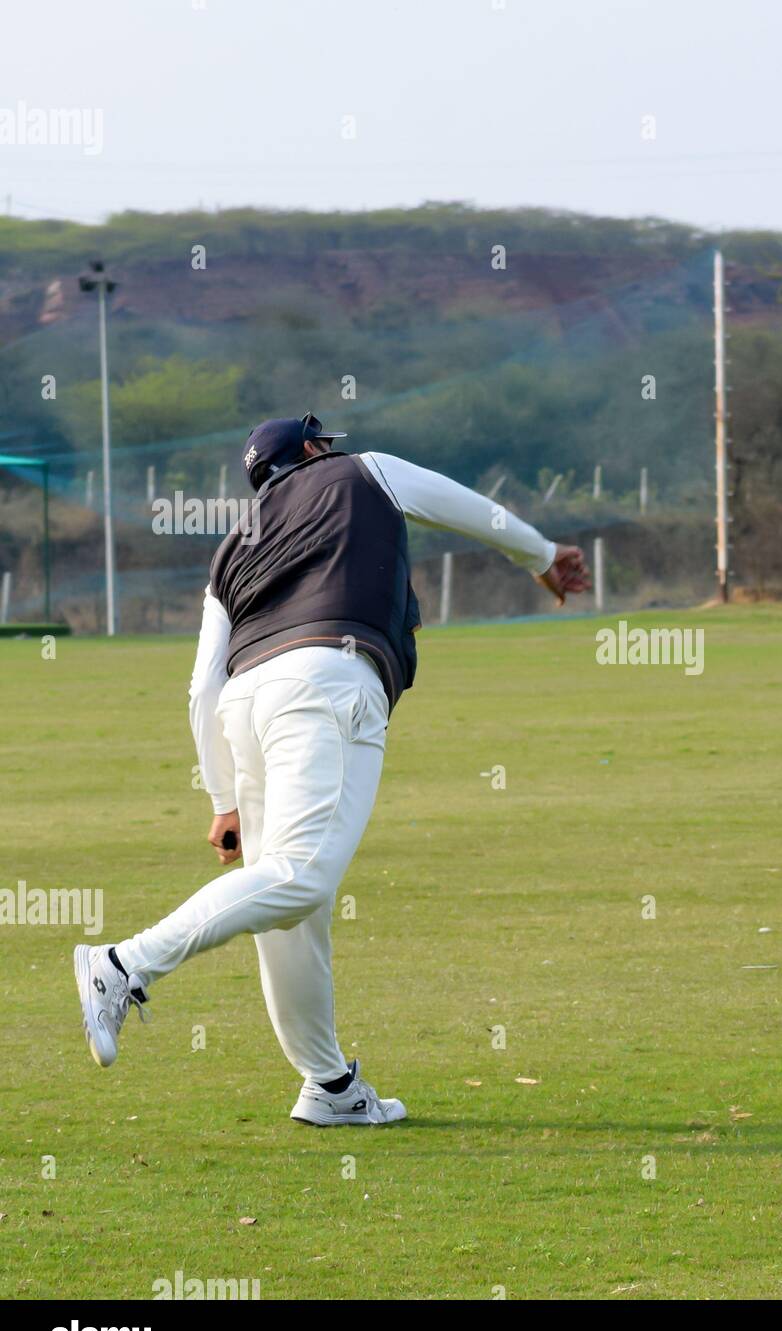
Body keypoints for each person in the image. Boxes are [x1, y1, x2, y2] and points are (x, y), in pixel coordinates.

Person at [74, 413, 589, 1124]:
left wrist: (222, 796)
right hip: (327, 680)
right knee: (302, 877)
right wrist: (541, 554)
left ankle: (330, 1087)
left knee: (296, 912)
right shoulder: (365, 469)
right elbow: (468, 506)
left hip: (247, 704)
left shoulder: (232, 547)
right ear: (313, 450)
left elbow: (201, 689)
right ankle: (122, 965)